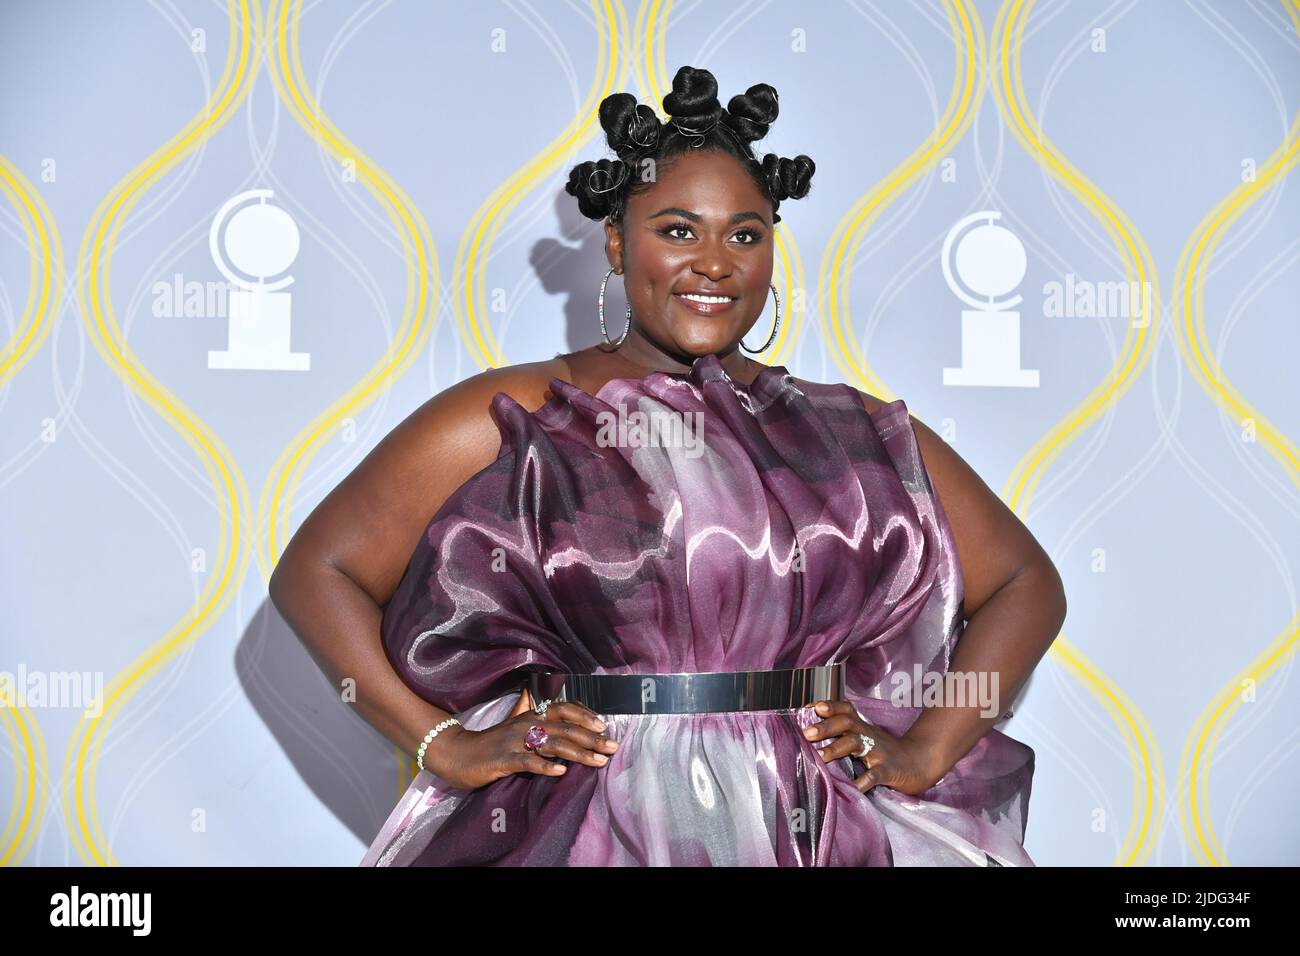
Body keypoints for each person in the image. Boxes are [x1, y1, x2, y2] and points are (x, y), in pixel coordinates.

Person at [269, 65, 1067, 866]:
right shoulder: (519, 412)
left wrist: (926, 750)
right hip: (586, 825)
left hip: (812, 824)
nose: (714, 263)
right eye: (678, 230)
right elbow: (320, 569)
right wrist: (442, 744)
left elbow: (1026, 585)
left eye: (744, 234)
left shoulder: (848, 431)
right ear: (617, 240)